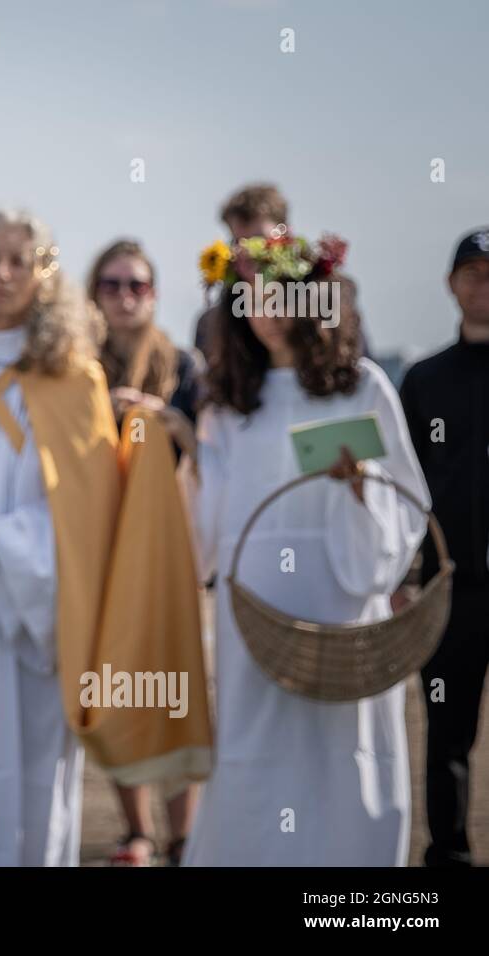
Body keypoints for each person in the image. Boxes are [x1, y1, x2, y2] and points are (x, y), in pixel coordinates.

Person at [182, 234, 428, 866]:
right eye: (252, 296)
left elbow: (405, 501)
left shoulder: (362, 386)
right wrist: (186, 454)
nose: (266, 308)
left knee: (343, 752)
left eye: (279, 291)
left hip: (341, 601)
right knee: (257, 752)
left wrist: (358, 493)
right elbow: (203, 522)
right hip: (256, 612)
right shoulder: (230, 403)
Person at [88, 238, 203, 865]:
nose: (125, 297)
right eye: (111, 285)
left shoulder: (185, 365)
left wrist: (163, 418)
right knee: (116, 683)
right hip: (103, 547)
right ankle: (136, 830)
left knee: (175, 681)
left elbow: (211, 452)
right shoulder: (80, 364)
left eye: (136, 285)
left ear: (155, 294)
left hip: (170, 550)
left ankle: (183, 834)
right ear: (93, 293)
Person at [399, 226, 489, 867]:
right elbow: (401, 490)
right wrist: (407, 573)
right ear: (452, 285)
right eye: (474, 273)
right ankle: (448, 856)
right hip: (451, 585)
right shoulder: (424, 380)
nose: (485, 285)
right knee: (447, 730)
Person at [194, 183, 370, 363]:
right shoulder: (214, 323)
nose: (248, 253)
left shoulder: (329, 302)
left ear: (287, 234)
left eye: (260, 241)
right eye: (238, 243)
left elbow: (353, 372)